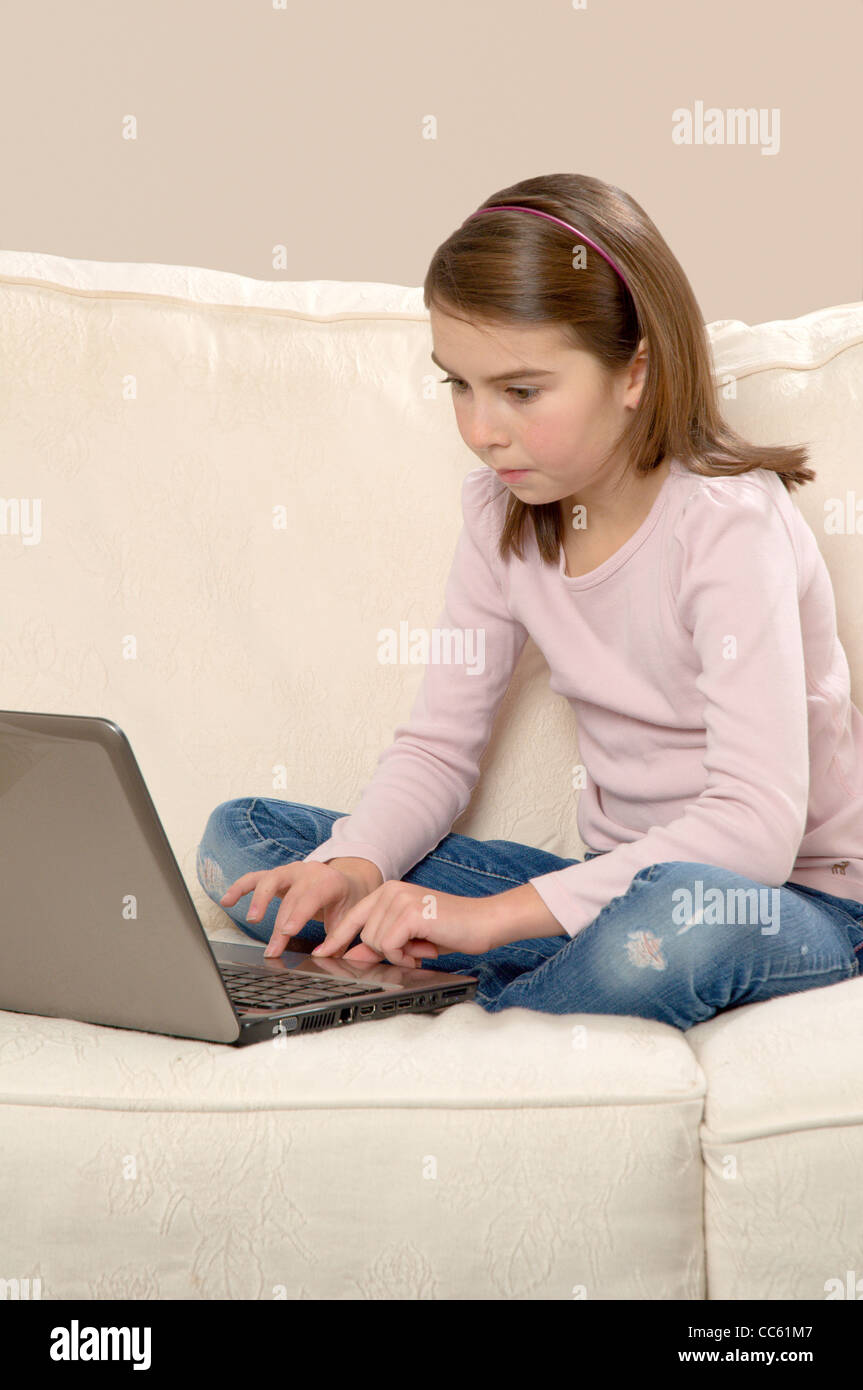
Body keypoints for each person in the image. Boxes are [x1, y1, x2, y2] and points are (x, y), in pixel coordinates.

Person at [196, 172, 863, 1030]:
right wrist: (357, 868)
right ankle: (542, 977)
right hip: (606, 886)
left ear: (635, 373)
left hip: (788, 906)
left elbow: (753, 831)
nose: (481, 430)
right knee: (244, 841)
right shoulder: (497, 516)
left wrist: (481, 918)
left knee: (676, 923)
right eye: (457, 387)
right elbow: (438, 748)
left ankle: (483, 996)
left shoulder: (725, 526)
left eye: (519, 391)